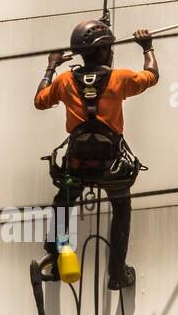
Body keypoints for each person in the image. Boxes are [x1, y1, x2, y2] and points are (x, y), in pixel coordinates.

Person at [33, 19, 158, 289]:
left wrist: (51, 65)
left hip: (76, 169)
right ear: (103, 51)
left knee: (62, 202)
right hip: (111, 170)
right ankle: (116, 273)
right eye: (110, 48)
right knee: (121, 206)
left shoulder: (65, 80)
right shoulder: (120, 78)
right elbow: (151, 76)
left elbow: (39, 100)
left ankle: (56, 259)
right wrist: (147, 47)